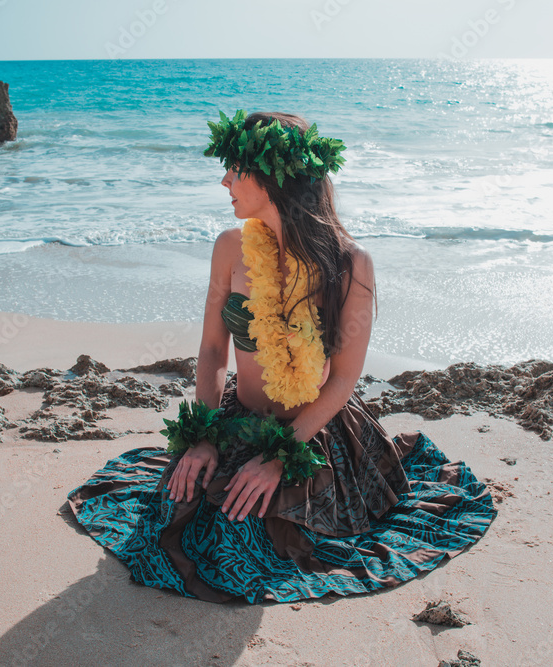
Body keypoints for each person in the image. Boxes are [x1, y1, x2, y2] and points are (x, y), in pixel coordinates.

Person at [67, 110, 495, 604]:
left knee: (253, 535)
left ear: (273, 178)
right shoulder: (229, 248)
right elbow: (213, 350)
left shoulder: (351, 264)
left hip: (313, 431)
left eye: (236, 170)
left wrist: (277, 459)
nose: (225, 181)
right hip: (237, 418)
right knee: (185, 510)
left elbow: (344, 380)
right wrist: (204, 435)